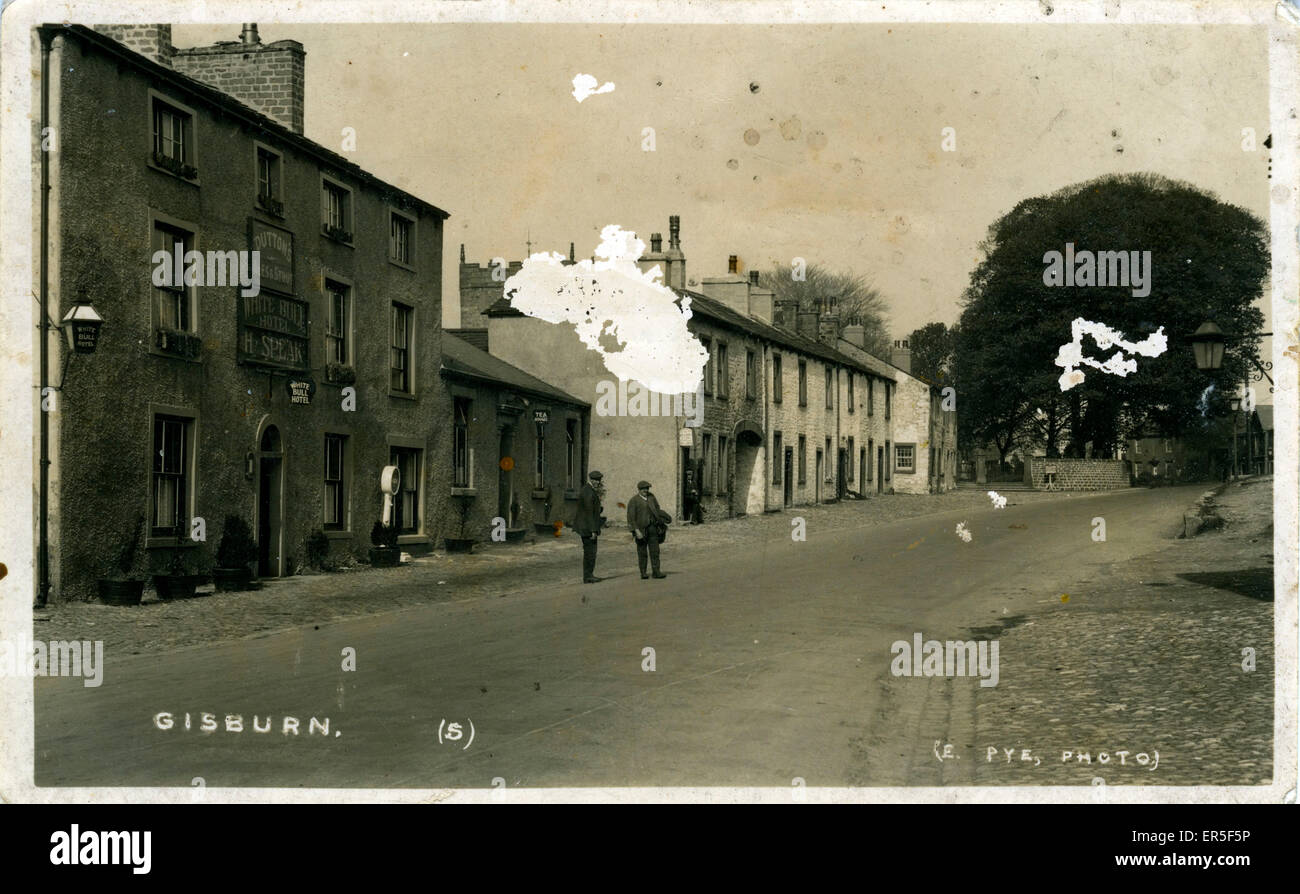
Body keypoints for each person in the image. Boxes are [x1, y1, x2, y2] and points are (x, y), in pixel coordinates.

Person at [627, 480, 669, 579]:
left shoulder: (652, 498)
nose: (645, 490)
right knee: (642, 552)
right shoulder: (634, 501)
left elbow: (658, 510)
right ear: (639, 490)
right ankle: (643, 573)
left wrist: (664, 519)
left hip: (653, 528)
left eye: (647, 488)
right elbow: (631, 518)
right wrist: (636, 531)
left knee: (655, 551)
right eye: (643, 489)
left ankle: (656, 572)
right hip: (641, 530)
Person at [574, 470, 605, 583]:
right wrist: (593, 530)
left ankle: (588, 575)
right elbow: (588, 512)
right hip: (587, 528)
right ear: (591, 480)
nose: (597, 482)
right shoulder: (588, 492)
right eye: (596, 480)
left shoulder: (588, 490)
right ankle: (588, 576)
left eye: (599, 480)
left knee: (590, 551)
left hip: (586, 526)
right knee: (590, 552)